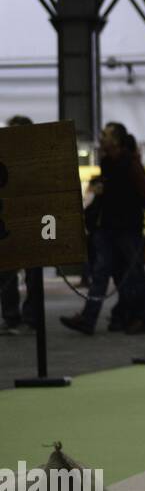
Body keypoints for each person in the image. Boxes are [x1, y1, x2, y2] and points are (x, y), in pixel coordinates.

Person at [60, 122, 145, 335]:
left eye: (105, 134)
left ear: (116, 140)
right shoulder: (107, 163)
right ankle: (90, 319)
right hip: (107, 229)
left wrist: (118, 200)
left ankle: (140, 318)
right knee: (103, 274)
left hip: (127, 229)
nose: (100, 138)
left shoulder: (131, 164)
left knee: (133, 274)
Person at [1, 115, 40, 335]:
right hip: (8, 221)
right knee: (6, 272)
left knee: (34, 275)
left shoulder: (36, 159)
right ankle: (11, 316)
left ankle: (31, 318)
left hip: (32, 221)